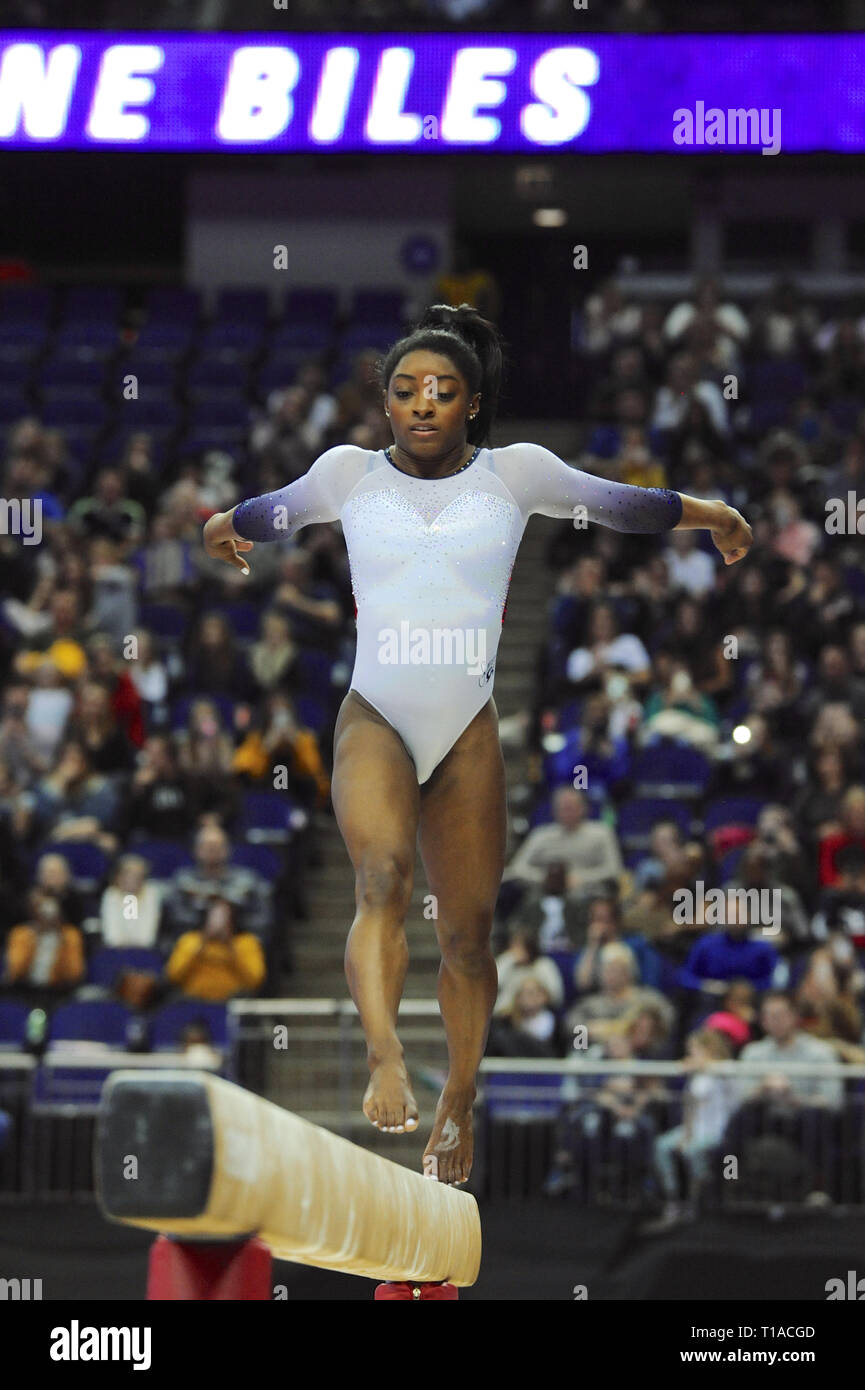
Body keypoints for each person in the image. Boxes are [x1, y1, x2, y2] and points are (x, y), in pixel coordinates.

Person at [203, 301, 752, 1184]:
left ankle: (457, 1099)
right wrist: (217, 527)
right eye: (406, 390)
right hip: (375, 713)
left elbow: (620, 505)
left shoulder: (516, 473)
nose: (423, 404)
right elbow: (266, 513)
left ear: (471, 404)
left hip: (466, 730)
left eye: (443, 391)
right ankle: (384, 1053)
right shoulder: (347, 474)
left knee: (466, 937)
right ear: (385, 403)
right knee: (380, 880)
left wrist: (711, 512)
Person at [652, 1028, 738, 1227]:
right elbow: (690, 1105)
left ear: (709, 1049)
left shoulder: (726, 1068)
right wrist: (687, 1132)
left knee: (693, 1151)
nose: (690, 1054)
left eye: (694, 1049)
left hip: (719, 1129)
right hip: (697, 1128)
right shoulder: (696, 1075)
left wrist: (702, 1065)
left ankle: (698, 1201)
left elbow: (726, 1081)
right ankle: (673, 1198)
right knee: (662, 1146)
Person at [164, 897, 266, 1002]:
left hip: (232, 1003)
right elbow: (173, 976)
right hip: (193, 1001)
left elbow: (255, 980)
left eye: (223, 918)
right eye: (214, 917)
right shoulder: (190, 940)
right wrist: (201, 945)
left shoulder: (247, 943)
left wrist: (230, 948)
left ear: (232, 919)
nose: (218, 923)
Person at [2, 888, 85, 997]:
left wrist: (61, 940)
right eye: (42, 908)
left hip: (58, 992)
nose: (47, 914)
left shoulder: (70, 935)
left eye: (51, 908)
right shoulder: (20, 934)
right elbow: (15, 972)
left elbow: (74, 974)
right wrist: (34, 940)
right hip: (25, 991)